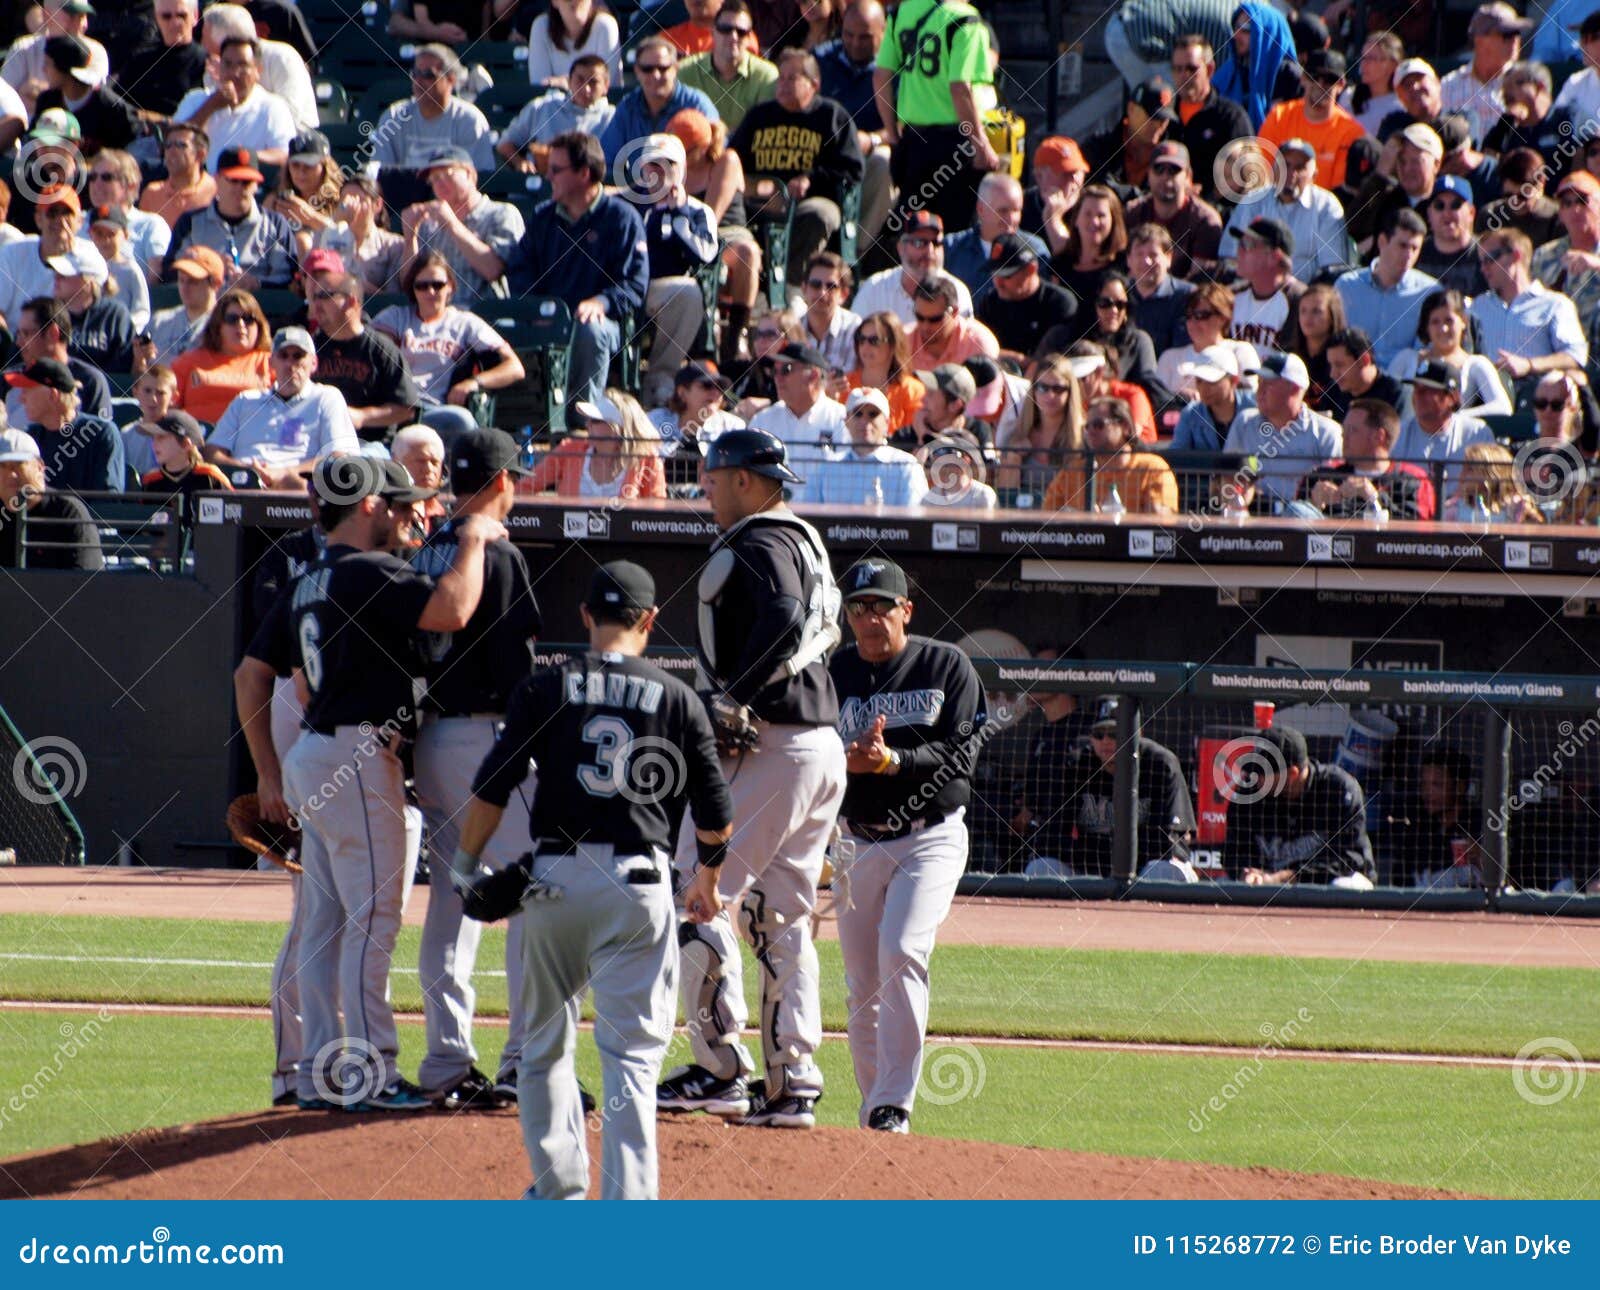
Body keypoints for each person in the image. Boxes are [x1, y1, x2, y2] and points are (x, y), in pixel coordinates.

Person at [452, 558, 731, 1197]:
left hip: (553, 879)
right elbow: (716, 815)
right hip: (639, 885)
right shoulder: (679, 696)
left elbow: (493, 784)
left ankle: (558, 1194)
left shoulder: (545, 688)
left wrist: (466, 867)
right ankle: (628, 1208)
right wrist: (708, 880)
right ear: (651, 620)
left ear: (585, 617)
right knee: (632, 1057)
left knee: (543, 1046)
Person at [240, 455, 505, 1112]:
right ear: (366, 505)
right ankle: (371, 1072)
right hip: (354, 755)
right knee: (372, 919)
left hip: (313, 754)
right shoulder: (366, 570)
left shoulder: (307, 580)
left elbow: (249, 674)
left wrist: (269, 772)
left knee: (324, 925)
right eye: (395, 504)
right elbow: (452, 609)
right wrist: (472, 536)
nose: (404, 514)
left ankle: (320, 1072)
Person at [657, 428, 845, 1129]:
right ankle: (792, 1078)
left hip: (769, 743)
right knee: (782, 918)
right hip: (816, 745)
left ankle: (718, 1069)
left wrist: (737, 690)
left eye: (711, 476)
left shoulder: (761, 539)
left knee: (698, 895)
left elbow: (785, 618)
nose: (705, 487)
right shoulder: (801, 535)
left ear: (741, 478)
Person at [404, 428, 543, 1112]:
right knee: (533, 891)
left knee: (453, 899)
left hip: (430, 737)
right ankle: (522, 1059)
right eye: (515, 477)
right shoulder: (498, 548)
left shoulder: (425, 546)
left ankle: (446, 1060)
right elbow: (517, 669)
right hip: (488, 737)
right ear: (500, 482)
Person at [824, 557, 983, 1132]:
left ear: (906, 611)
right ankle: (875, 1110)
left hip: (929, 839)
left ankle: (894, 1102)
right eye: (859, 607)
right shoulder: (831, 671)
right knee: (861, 986)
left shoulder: (947, 665)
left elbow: (962, 759)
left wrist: (893, 762)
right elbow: (809, 757)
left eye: (882, 606)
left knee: (901, 951)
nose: (870, 618)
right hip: (852, 841)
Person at [505, 131, 649, 413]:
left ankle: (584, 420)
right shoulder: (543, 218)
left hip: (604, 324)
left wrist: (602, 302)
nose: (549, 177)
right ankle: (522, 420)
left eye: (556, 170)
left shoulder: (621, 219)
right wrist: (537, 311)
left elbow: (634, 283)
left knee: (590, 330)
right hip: (548, 319)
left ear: (584, 174)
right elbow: (520, 272)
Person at [730, 49, 863, 288]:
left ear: (814, 84)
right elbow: (733, 163)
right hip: (760, 203)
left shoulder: (832, 116)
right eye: (781, 77)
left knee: (820, 214)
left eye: (792, 78)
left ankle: (790, 288)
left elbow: (852, 171)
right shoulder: (759, 117)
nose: (783, 84)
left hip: (808, 203)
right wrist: (757, 188)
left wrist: (811, 179)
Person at [371, 253, 526, 447]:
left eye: (438, 285)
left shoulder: (464, 323)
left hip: (436, 410)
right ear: (413, 289)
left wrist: (474, 382)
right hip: (396, 409)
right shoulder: (395, 318)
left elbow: (515, 368)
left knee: (462, 421)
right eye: (422, 286)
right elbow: (369, 353)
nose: (430, 292)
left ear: (451, 286)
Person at [1030, 695, 1193, 878]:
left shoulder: (1161, 764)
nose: (1106, 741)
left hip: (1145, 871)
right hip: (1091, 870)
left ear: (1137, 733)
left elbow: (1171, 843)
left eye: (1115, 733)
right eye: (1099, 734)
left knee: (1165, 871)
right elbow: (1052, 834)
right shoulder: (1075, 765)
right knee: (1041, 868)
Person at [873, 0, 998, 231]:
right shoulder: (967, 19)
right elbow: (960, 87)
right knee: (955, 232)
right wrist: (981, 144)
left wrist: (892, 133)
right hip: (955, 144)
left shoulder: (901, 12)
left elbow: (881, 77)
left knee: (913, 229)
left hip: (913, 142)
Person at [204, 327, 359, 488]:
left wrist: (284, 473)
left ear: (314, 363)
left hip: (299, 491)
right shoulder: (245, 400)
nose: (290, 364)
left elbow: (339, 456)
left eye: (298, 356)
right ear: (271, 362)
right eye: (283, 356)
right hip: (243, 487)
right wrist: (249, 471)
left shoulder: (326, 397)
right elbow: (211, 452)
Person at [1223, 726, 1376, 888]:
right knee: (1223, 885)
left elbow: (1351, 859)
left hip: (1323, 886)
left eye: (1263, 773)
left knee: (1346, 886)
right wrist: (1246, 872)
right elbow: (1233, 852)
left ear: (1292, 774)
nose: (1256, 778)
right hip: (1267, 885)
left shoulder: (1338, 789)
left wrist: (1287, 877)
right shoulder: (1250, 793)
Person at [630, 133, 719, 408]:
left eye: (669, 164)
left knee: (687, 292)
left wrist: (678, 213)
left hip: (667, 290)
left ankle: (660, 378)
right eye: (653, 164)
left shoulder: (698, 210)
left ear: (681, 169)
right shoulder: (626, 203)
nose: (661, 171)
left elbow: (705, 254)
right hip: (625, 288)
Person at [401, 149, 526, 310]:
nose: (439, 183)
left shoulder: (501, 213)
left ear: (470, 174)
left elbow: (493, 270)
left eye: (447, 174)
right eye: (434, 179)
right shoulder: (428, 224)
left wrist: (452, 224)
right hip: (434, 319)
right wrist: (411, 237)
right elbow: (408, 284)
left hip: (485, 317)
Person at [308, 273, 422, 444]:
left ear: (351, 302)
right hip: (316, 442)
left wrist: (361, 416)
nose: (316, 304)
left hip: (368, 445)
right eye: (314, 296)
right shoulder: (309, 347)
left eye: (325, 296)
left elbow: (407, 408)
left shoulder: (381, 349)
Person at [1470, 228, 1588, 393]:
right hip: (1489, 402)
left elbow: (1575, 356)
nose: (1483, 268)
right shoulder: (1478, 306)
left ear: (1516, 256)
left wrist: (1529, 365)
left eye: (1490, 259)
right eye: (1481, 262)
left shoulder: (1555, 304)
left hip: (1538, 403)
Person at [161, 147, 296, 290]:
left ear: (256, 185)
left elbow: (290, 278)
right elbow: (169, 273)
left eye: (246, 182)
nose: (239, 187)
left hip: (260, 307)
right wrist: (210, 267)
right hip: (206, 305)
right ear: (217, 179)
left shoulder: (275, 224)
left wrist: (258, 283)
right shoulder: (190, 222)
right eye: (233, 180)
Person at [1218, 140, 1351, 283]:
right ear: (1274, 169)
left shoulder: (1326, 206)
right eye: (1285, 165)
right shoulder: (1253, 201)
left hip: (1303, 296)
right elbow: (1229, 257)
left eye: (1300, 168)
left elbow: (1332, 270)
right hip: (1252, 292)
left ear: (1314, 175)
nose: (1291, 173)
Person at [814, 0, 891, 245]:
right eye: (849, 34)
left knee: (884, 160)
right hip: (823, 155)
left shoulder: (900, 67)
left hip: (868, 158)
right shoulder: (820, 60)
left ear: (883, 31)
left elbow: (907, 126)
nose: (856, 44)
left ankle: (853, 253)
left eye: (865, 37)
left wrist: (873, 138)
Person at [1222, 350, 1341, 504]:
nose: (1260, 391)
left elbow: (1332, 490)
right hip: (1253, 514)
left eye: (1268, 384)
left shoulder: (1327, 432)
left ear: (1294, 389)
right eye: (1259, 383)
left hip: (1305, 519)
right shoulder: (1244, 422)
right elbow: (1226, 475)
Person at [1332, 208, 1438, 371]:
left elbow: (1426, 353)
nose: (1408, 255)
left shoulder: (1429, 292)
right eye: (1402, 246)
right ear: (1382, 241)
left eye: (1414, 248)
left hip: (1404, 384)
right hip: (1354, 380)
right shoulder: (1346, 287)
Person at [171, 37, 295, 169]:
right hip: (201, 185)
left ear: (257, 71)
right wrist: (210, 106)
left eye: (243, 65)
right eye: (227, 64)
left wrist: (242, 157)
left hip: (249, 185)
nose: (234, 73)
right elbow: (174, 143)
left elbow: (283, 154)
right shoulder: (196, 99)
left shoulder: (273, 107)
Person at [191, 3, 316, 133]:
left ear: (229, 42)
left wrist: (245, 87)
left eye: (205, 37)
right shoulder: (215, 66)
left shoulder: (282, 58)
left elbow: (291, 117)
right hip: (235, 144)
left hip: (294, 143)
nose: (202, 45)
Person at [1302, 397, 1435, 520]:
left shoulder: (1412, 481)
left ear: (1379, 436)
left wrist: (1374, 499)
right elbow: (1292, 521)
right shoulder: (1324, 475)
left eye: (1352, 430)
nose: (1343, 436)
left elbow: (1419, 531)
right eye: (1344, 429)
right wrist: (1312, 504)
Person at [4, 357, 123, 493]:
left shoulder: (100, 433)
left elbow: (107, 502)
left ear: (53, 395)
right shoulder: (29, 440)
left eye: (27, 390)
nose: (21, 398)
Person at [1385, 292, 1511, 419]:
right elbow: (1383, 401)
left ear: (1463, 321)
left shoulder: (1476, 364)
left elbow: (1502, 407)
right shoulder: (1406, 359)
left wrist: (1451, 418)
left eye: (1449, 320)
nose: (1443, 329)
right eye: (1435, 322)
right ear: (1427, 326)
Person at [371, 45, 495, 175]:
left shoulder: (470, 120)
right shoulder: (394, 117)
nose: (418, 81)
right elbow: (380, 176)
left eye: (428, 75)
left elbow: (479, 179)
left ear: (451, 79)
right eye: (415, 73)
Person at [522, 389, 668, 498]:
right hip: (568, 538)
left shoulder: (648, 460)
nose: (588, 424)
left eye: (596, 421)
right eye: (589, 420)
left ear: (618, 429)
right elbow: (524, 487)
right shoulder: (569, 450)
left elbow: (656, 513)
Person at [1044, 394, 1176, 513]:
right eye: (1087, 427)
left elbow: (1161, 520)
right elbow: (1047, 515)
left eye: (1098, 425)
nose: (1090, 432)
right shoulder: (1072, 471)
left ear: (1125, 427)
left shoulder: (1152, 468)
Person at [600, 36, 720, 168]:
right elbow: (607, 160)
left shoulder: (697, 104)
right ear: (637, 71)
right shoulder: (628, 107)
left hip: (689, 185)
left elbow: (717, 153)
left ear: (675, 68)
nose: (655, 75)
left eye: (663, 68)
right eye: (647, 69)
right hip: (639, 186)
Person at [0, 185, 102, 332]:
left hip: (72, 344)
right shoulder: (13, 253)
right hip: (18, 344)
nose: (60, 220)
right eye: (52, 213)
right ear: (38, 219)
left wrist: (70, 251)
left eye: (67, 213)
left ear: (79, 221)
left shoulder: (90, 256)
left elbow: (99, 306)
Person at [1259, 49, 1365, 190]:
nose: (1320, 85)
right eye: (1313, 77)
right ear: (1303, 79)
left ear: (1341, 85)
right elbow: (1262, 171)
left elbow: (1339, 192)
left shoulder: (1351, 132)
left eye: (1329, 80)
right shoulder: (1279, 116)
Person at [1168, 32, 1254, 205]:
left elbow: (1248, 177)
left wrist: (1207, 197)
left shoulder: (1231, 118)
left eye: (1191, 69)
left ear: (1209, 69)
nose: (1184, 75)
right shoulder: (1164, 116)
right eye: (1178, 69)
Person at [0, 427, 103, 570]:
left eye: (19, 465)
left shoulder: (68, 512)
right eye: (2, 467)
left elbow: (85, 580)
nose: (11, 475)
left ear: (40, 467)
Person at [804, 385, 925, 505]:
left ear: (887, 422)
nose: (864, 421)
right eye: (858, 414)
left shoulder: (907, 466)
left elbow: (915, 519)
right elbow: (808, 516)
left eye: (873, 414)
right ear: (846, 422)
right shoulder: (826, 467)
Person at [2, 296, 113, 428]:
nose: (19, 342)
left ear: (52, 333)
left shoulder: (90, 380)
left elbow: (97, 435)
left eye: (26, 334)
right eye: (18, 334)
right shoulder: (7, 380)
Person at [168, 288, 273, 424]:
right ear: (218, 326)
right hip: (197, 441)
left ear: (259, 325)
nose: (241, 325)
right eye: (232, 319)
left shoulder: (271, 362)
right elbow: (168, 409)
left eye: (248, 319)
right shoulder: (188, 361)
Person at [1390, 359, 1493, 496]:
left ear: (1452, 397)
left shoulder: (1477, 434)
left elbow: (1489, 485)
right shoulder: (1398, 433)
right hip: (1410, 511)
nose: (1418, 395)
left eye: (1427, 390)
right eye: (1416, 388)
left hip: (1461, 513)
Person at [1122, 141, 1222, 281]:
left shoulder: (1205, 220)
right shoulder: (1132, 212)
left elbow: (1198, 281)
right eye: (1159, 169)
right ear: (1148, 174)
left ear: (1188, 176)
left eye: (1174, 170)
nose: (1165, 177)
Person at [852, 213, 975, 323]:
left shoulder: (958, 291)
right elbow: (854, 341)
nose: (930, 251)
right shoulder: (875, 288)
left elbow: (965, 342)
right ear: (900, 248)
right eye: (920, 243)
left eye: (936, 243)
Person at [751, 340, 849, 478]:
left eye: (786, 370)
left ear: (813, 375)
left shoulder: (843, 419)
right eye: (774, 371)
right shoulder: (762, 422)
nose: (777, 378)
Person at [32, 34, 139, 159]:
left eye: (48, 64)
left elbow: (126, 153)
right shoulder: (47, 101)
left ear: (65, 69)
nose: (43, 69)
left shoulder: (111, 108)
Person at [973, 234, 1077, 362]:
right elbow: (977, 349)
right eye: (994, 275)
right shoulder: (989, 303)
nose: (998, 283)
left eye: (1006, 276)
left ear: (1031, 269)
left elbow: (1056, 360)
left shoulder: (1059, 302)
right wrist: (1016, 359)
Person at [498, 56, 615, 168]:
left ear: (606, 85)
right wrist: (520, 162)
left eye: (593, 82)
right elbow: (505, 144)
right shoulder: (542, 106)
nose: (586, 88)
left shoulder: (614, 116)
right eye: (580, 79)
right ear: (569, 81)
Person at [993, 354, 1085, 496]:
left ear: (1070, 392)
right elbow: (1005, 498)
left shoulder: (1083, 439)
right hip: (1023, 515)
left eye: (1058, 389)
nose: (1050, 395)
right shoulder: (1017, 435)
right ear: (1034, 391)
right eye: (1043, 387)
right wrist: (1014, 459)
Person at [680, 0, 778, 133]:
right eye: (725, 29)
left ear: (750, 37)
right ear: (712, 32)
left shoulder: (767, 75)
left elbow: (764, 130)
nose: (733, 37)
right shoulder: (684, 70)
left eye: (741, 32)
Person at [943, 174, 1047, 298]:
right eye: (1003, 210)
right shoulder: (951, 248)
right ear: (981, 209)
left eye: (1016, 210)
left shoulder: (1035, 249)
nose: (1011, 218)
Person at [1, 0, 110, 116]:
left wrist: (32, 93)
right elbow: (3, 101)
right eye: (72, 15)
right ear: (47, 15)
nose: (82, 24)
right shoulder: (24, 48)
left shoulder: (96, 51)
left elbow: (87, 100)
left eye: (83, 16)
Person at [1157, 281, 1258, 400]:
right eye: (1189, 316)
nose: (1193, 322)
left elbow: (1251, 395)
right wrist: (1177, 396)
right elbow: (1157, 400)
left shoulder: (1241, 351)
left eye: (1201, 315)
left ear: (1223, 317)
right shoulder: (1169, 357)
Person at [82, 146, 170, 281]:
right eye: (93, 177)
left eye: (106, 177)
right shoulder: (77, 221)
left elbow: (156, 278)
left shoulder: (150, 224)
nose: (96, 183)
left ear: (131, 185)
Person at [1530, 171, 1600, 337]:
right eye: (1566, 203)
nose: (1575, 210)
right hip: (1558, 353)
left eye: (1582, 201)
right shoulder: (1544, 256)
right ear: (1560, 213)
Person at [651, 361, 744, 481]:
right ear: (682, 392)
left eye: (720, 386)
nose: (716, 392)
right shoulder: (654, 421)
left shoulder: (732, 427)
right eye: (707, 385)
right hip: (660, 497)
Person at [111, 0, 206, 118]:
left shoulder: (206, 63)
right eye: (166, 16)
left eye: (182, 15)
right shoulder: (139, 61)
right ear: (156, 18)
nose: (174, 23)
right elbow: (116, 104)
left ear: (195, 16)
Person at [1213, 0, 1298, 130]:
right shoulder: (1228, 73)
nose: (1236, 36)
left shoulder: (1290, 75)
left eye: (1246, 29)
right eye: (1235, 27)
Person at [1225, 217, 1304, 354]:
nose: (1239, 251)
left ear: (1274, 257)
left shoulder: (1299, 300)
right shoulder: (1230, 295)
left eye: (1247, 245)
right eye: (1239, 244)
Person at [318, 177, 407, 298]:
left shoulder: (394, 245)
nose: (351, 206)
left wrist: (353, 285)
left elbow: (392, 297)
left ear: (377, 204)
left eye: (360, 200)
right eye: (345, 200)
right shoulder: (326, 235)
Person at [1045, 184, 1129, 308]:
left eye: (1101, 216)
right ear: (1076, 219)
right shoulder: (1060, 264)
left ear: (1113, 221)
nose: (1094, 221)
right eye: (1088, 214)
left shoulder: (1124, 264)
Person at [263, 130, 342, 257]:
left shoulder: (340, 199)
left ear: (325, 167)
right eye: (295, 165)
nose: (301, 172)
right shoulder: (276, 201)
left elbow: (345, 238)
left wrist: (309, 216)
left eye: (308, 166)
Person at [55, 251, 135, 374]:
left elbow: (123, 368)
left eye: (64, 275)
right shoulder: (48, 312)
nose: (56, 278)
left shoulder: (115, 314)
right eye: (56, 273)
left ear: (89, 282)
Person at [844, 310, 924, 432]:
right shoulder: (844, 385)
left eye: (874, 341)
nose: (865, 346)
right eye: (861, 339)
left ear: (893, 346)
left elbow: (913, 439)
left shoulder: (913, 391)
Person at [906, 274, 998, 369]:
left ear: (954, 312)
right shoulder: (904, 341)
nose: (926, 326)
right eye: (919, 317)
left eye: (935, 319)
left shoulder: (979, 344)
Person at [139, 124, 217, 235]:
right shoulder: (152, 193)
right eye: (168, 145)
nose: (172, 151)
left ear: (200, 154)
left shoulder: (216, 191)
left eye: (181, 145)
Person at [1417, 175, 1487, 297]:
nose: (1447, 213)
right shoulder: (1415, 252)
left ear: (1471, 213)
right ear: (1429, 214)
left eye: (1455, 205)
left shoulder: (1487, 253)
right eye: (1439, 205)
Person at [524, 0, 623, 87]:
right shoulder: (541, 26)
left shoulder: (606, 26)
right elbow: (540, 85)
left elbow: (601, 84)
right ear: (554, 1)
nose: (574, 1)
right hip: (554, 106)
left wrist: (564, 82)